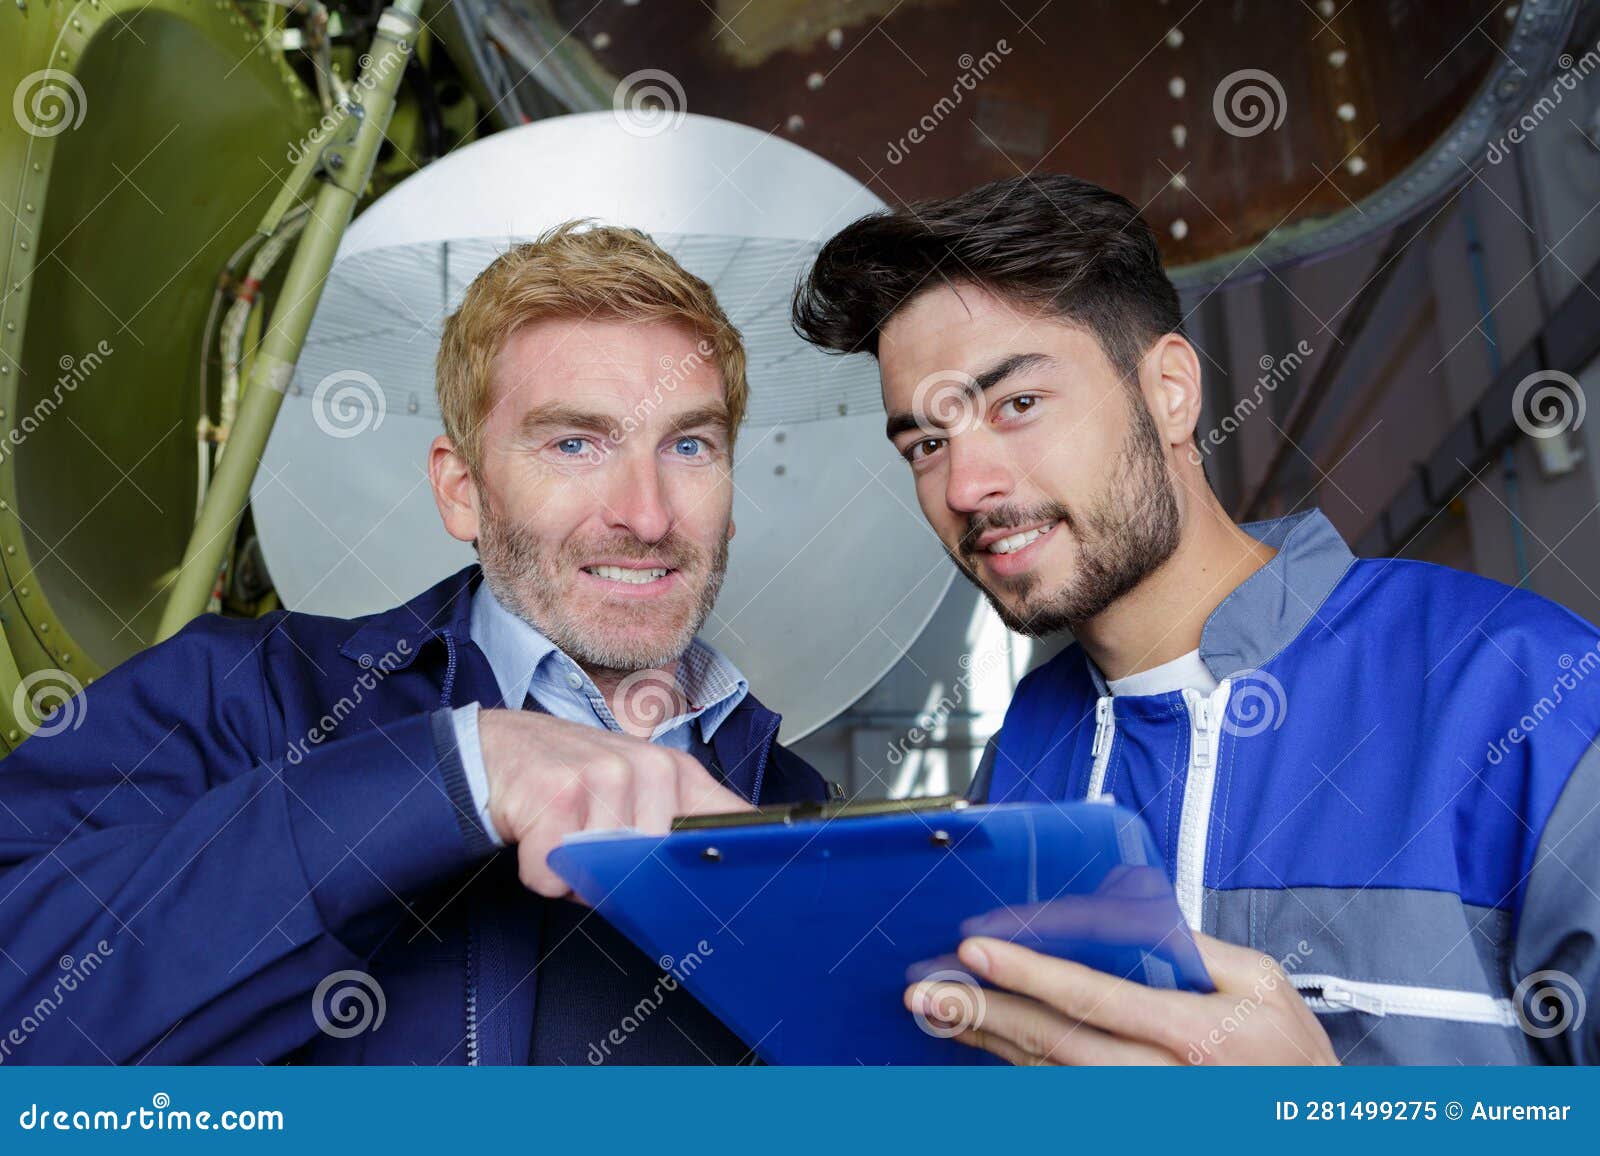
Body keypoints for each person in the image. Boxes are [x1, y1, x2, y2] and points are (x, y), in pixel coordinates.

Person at [792, 174, 1600, 1065]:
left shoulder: (1524, 691)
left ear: (1171, 391)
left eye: (1017, 405)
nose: (964, 486)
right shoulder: (1020, 761)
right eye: (927, 443)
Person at [0, 222, 829, 1065]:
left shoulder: (799, 803)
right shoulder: (240, 697)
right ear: (461, 490)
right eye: (574, 444)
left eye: (689, 444)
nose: (646, 516)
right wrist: (459, 773)